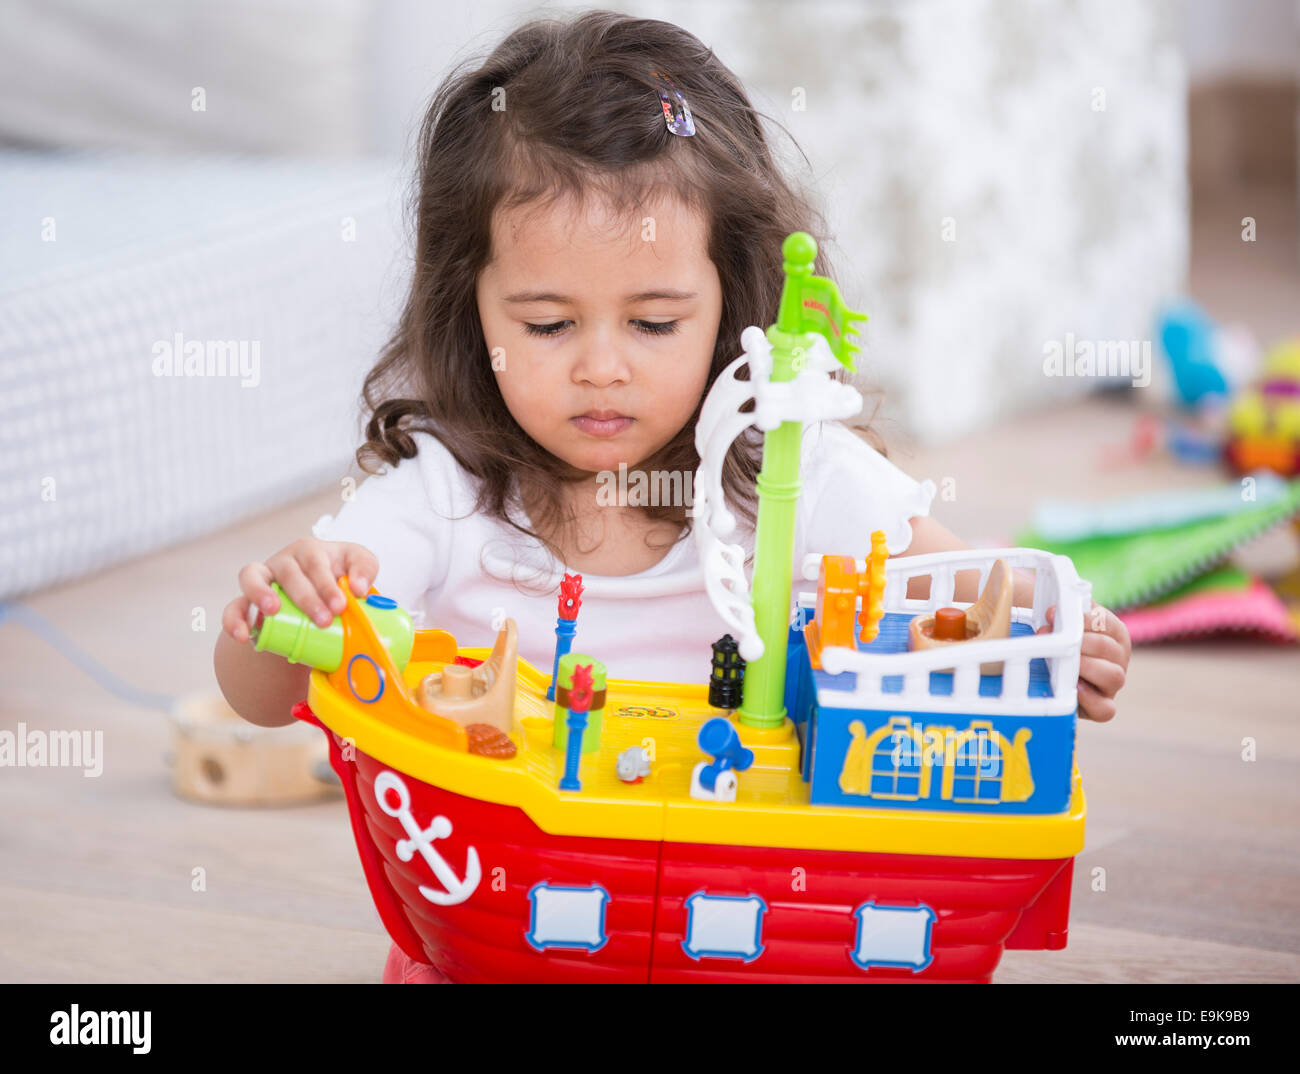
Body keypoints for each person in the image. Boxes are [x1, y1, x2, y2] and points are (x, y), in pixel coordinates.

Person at [213, 10, 1130, 985]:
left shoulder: (792, 468)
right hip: (507, 934)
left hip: (744, 923)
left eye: (653, 323)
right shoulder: (442, 496)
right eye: (548, 322)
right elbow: (263, 695)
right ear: (468, 302)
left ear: (727, 300)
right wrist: (277, 614)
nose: (600, 368)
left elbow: (971, 605)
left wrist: (1056, 654)